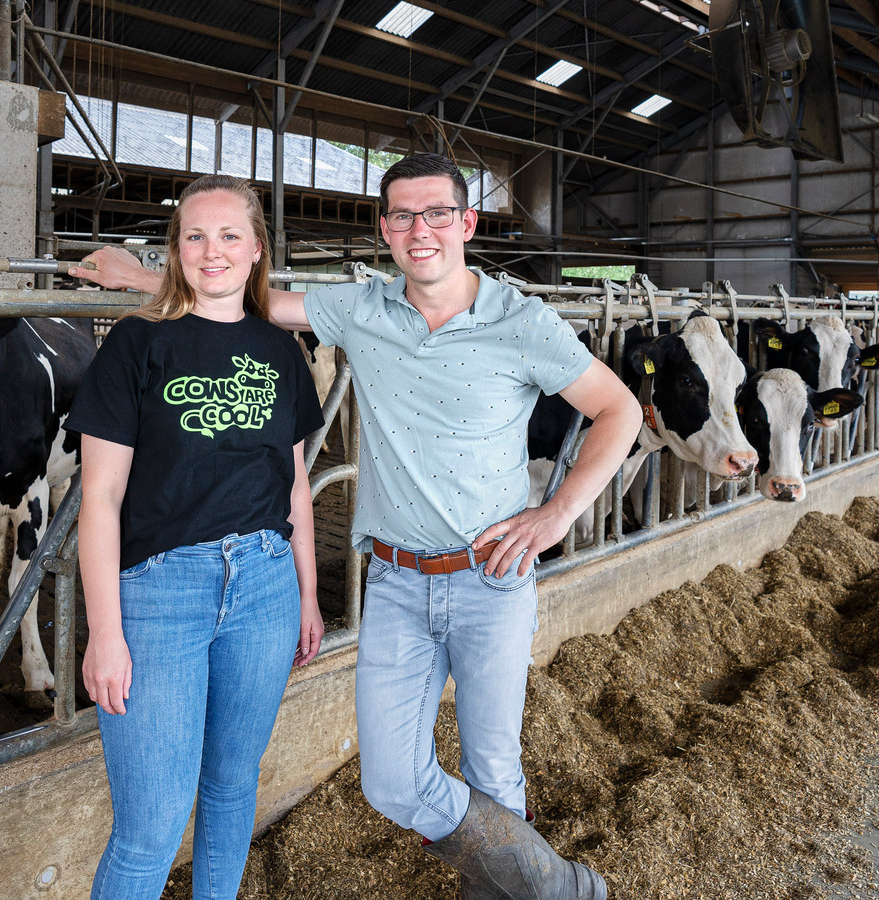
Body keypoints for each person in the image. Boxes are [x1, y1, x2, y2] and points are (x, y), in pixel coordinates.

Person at [71, 153, 639, 898]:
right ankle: (542, 880)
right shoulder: (362, 311)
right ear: (384, 229)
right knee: (385, 781)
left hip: (489, 576)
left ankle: (534, 888)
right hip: (393, 581)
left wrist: (556, 512)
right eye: (401, 215)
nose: (419, 229)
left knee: (493, 767)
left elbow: (620, 408)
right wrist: (140, 279)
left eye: (437, 213)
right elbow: (240, 296)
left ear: (467, 223)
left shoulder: (522, 321)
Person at [69, 174, 325, 899]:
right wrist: (104, 631)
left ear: (255, 251)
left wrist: (307, 596)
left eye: (228, 235)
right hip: (159, 595)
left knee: (230, 787)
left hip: (266, 585)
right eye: (195, 236)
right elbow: (100, 496)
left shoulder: (281, 351)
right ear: (176, 251)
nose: (212, 252)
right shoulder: (137, 344)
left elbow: (295, 484)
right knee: (149, 827)